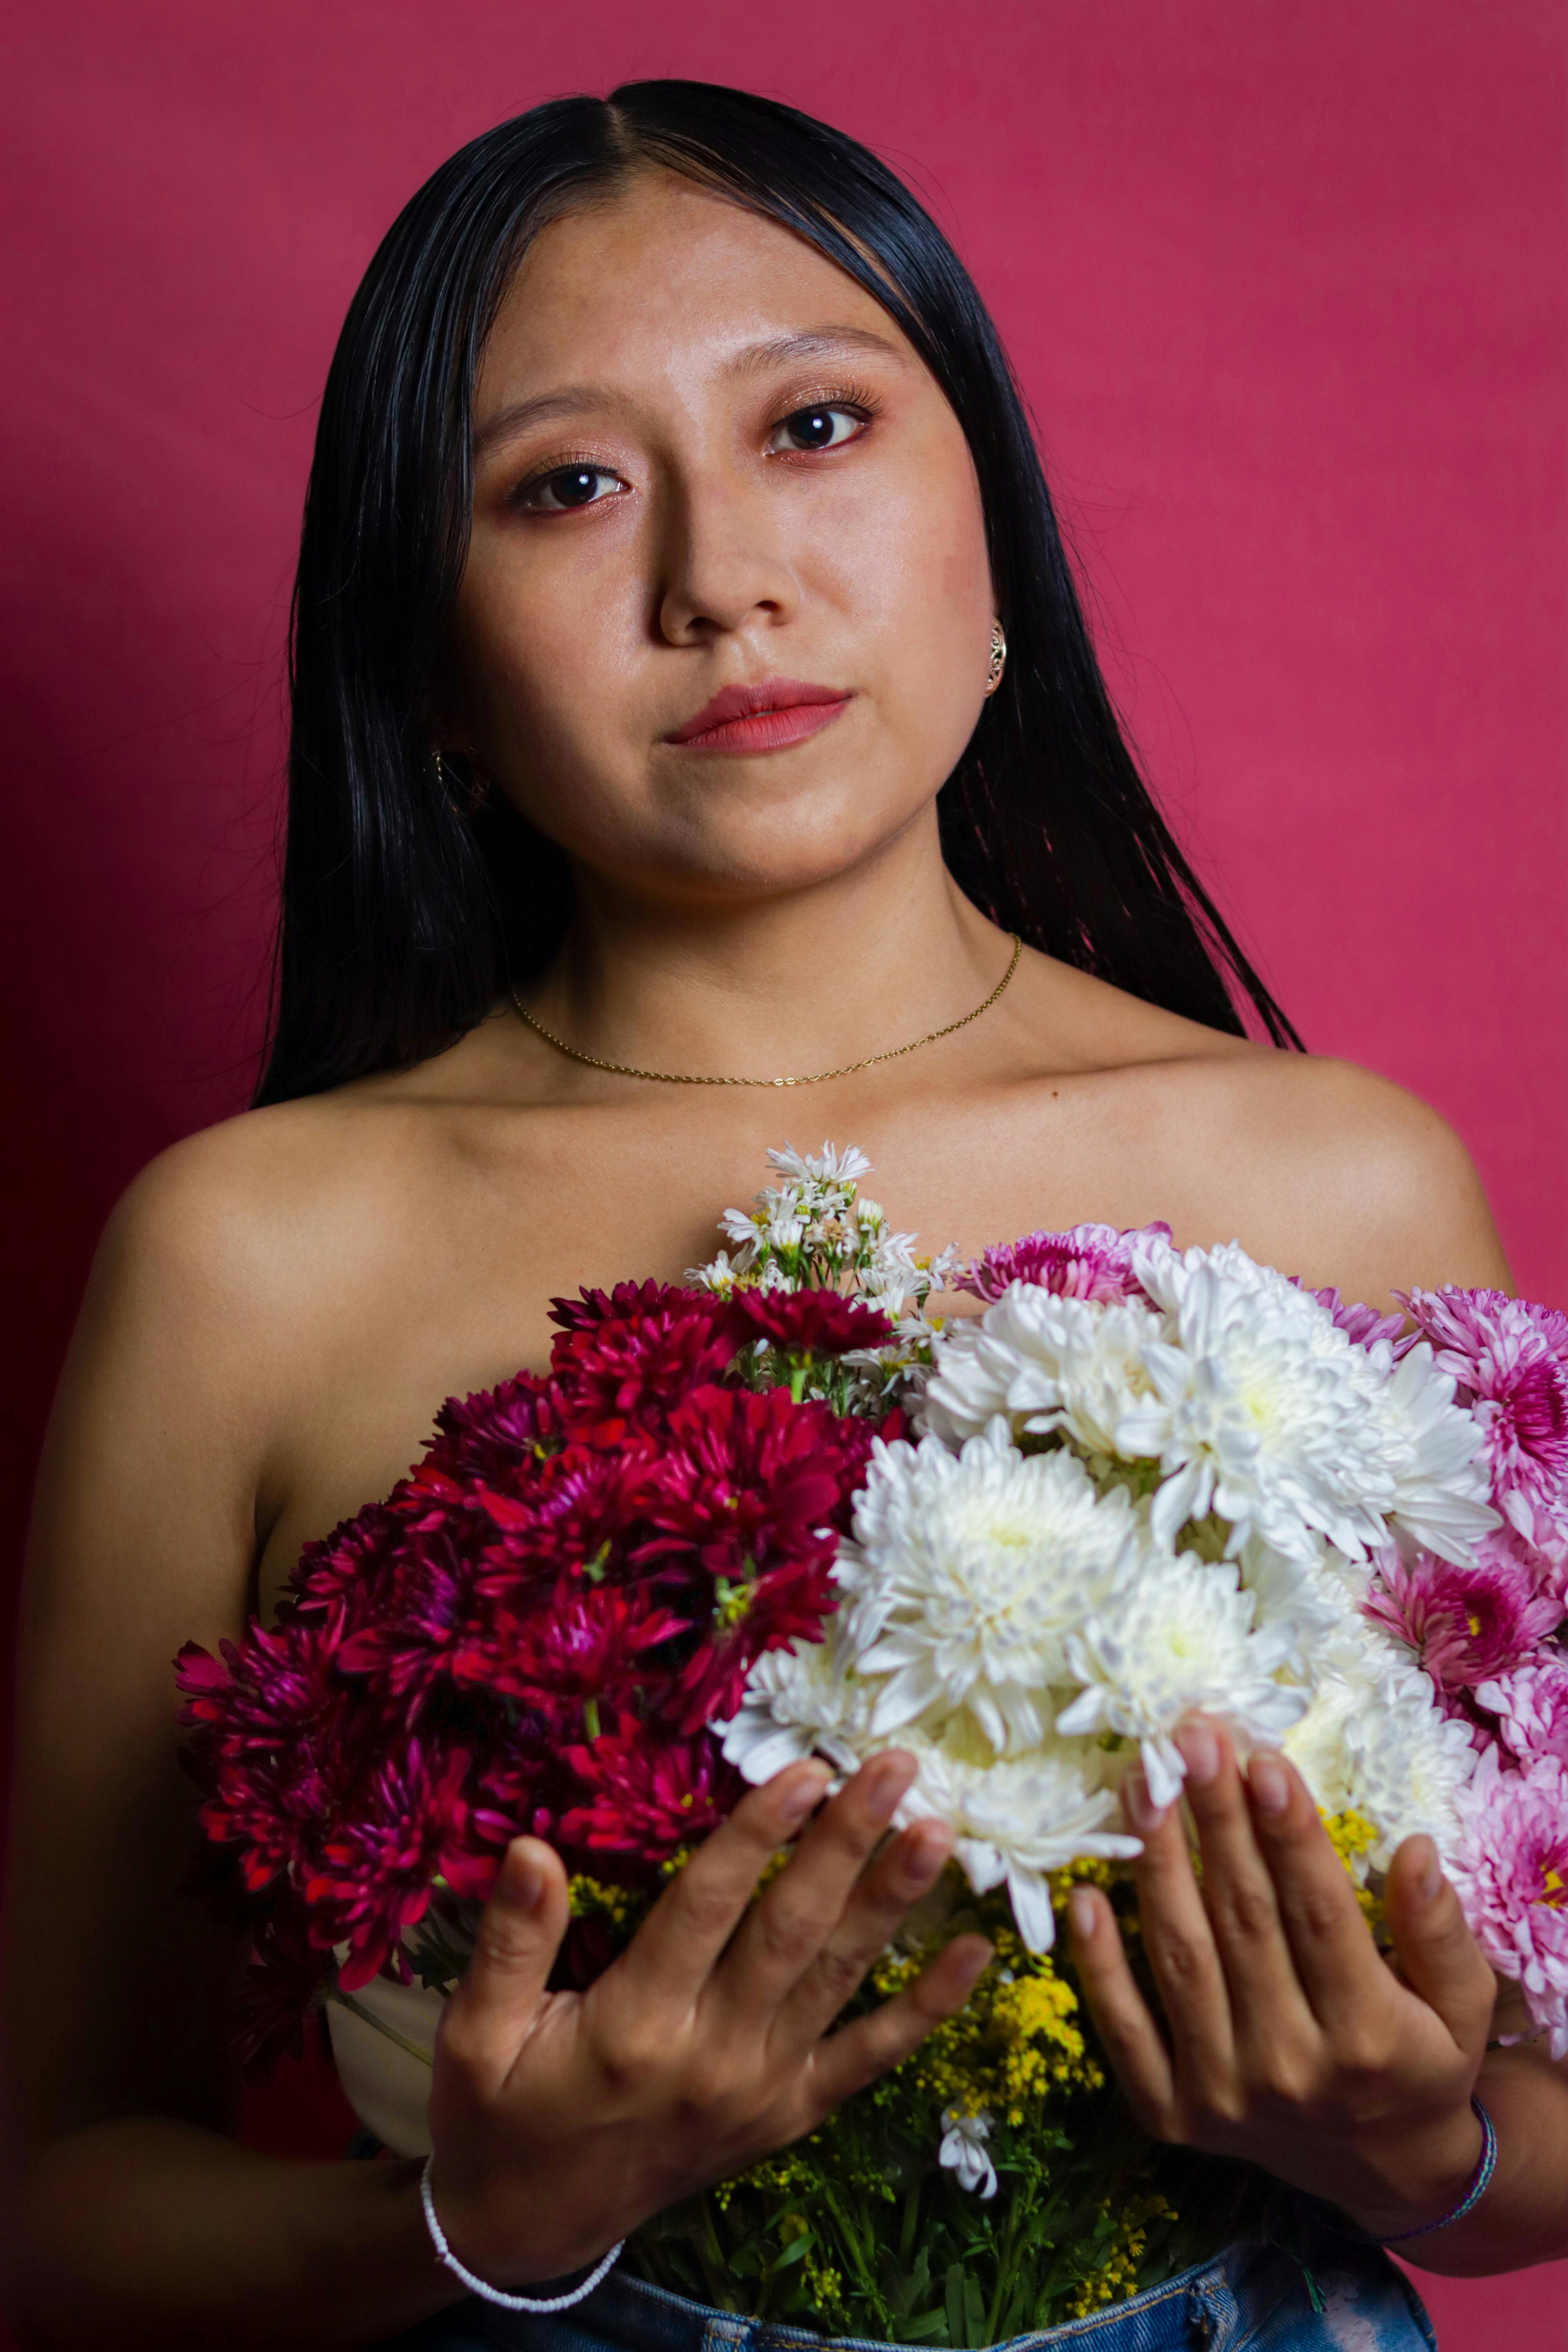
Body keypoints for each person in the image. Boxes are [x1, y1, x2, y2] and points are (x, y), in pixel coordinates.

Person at [4, 79, 1563, 2352]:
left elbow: (1533, 2109)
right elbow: (55, 2210)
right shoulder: (251, 1260)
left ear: (994, 521)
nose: (719, 576)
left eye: (816, 426)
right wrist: (489, 2225)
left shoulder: (1333, 1181)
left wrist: (1419, 2149)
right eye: (568, 486)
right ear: (429, 669)